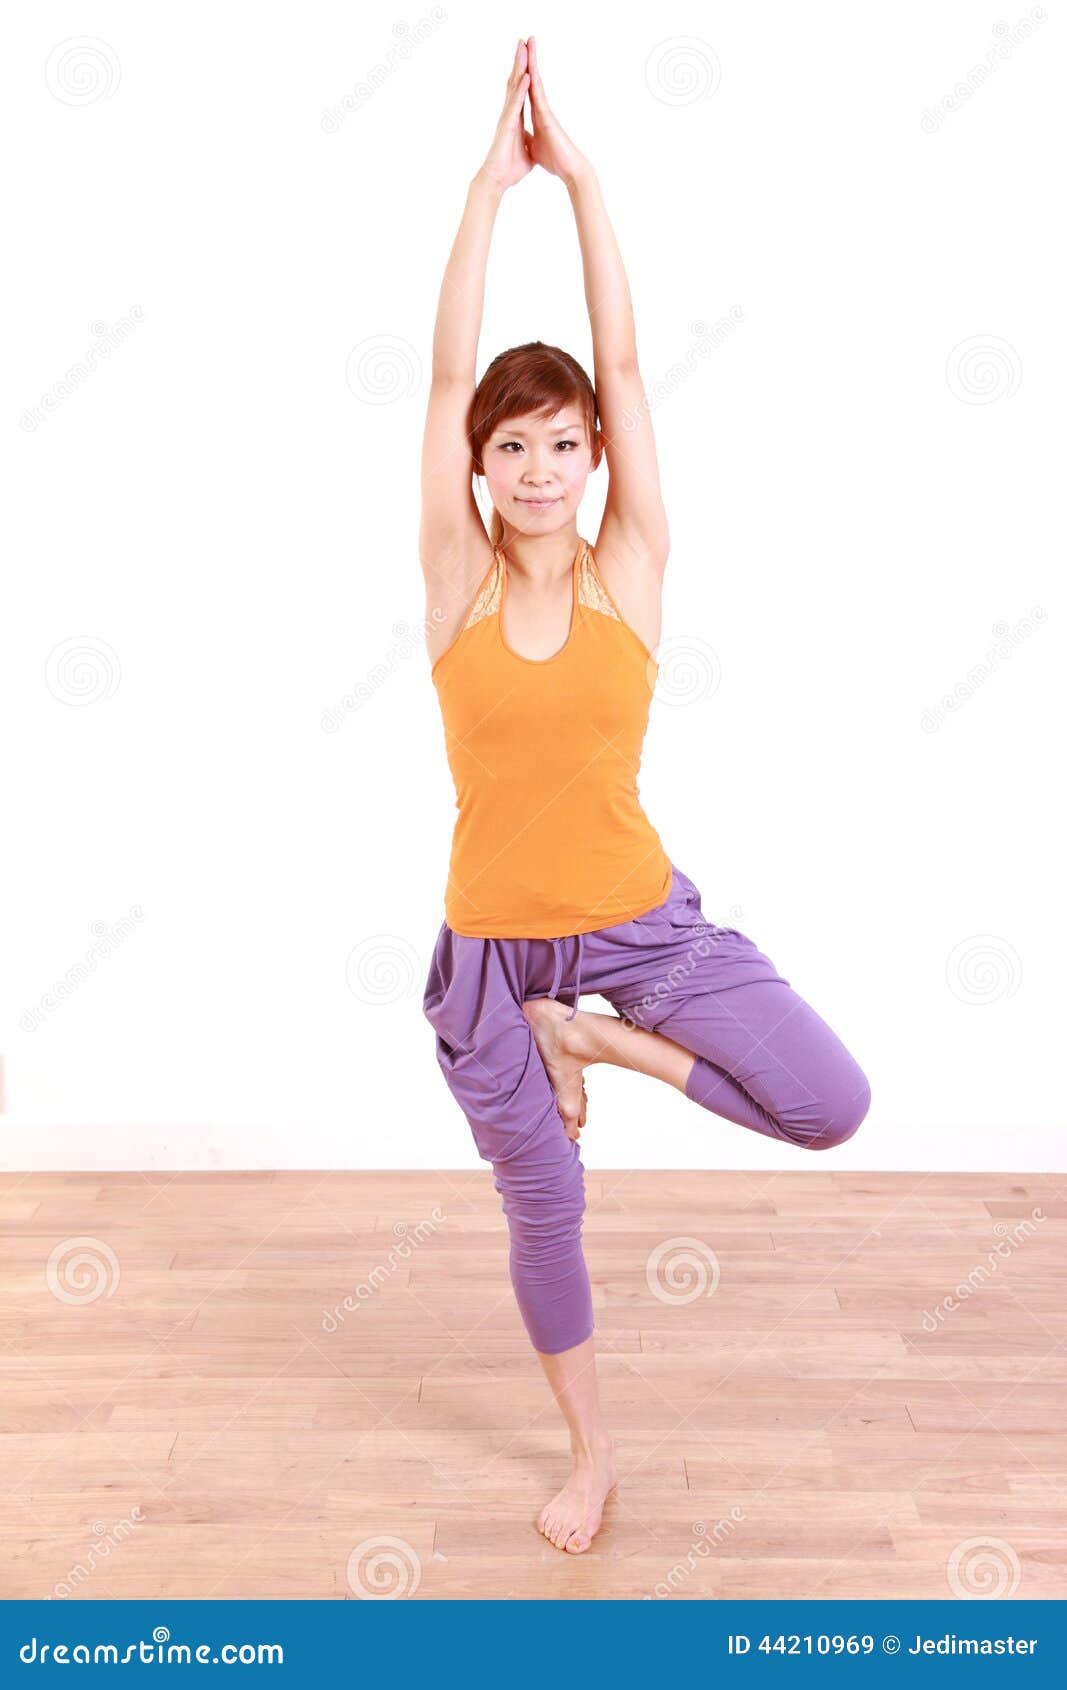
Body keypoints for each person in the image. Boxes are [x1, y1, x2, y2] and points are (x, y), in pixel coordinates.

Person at [419, 37, 871, 1556]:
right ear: (478, 471)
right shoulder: (454, 583)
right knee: (545, 1216)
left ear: (593, 454)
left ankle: (602, 1045)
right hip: (491, 962)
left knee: (830, 1102)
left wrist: (590, 185)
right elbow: (438, 369)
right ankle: (594, 1453)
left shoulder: (632, 570)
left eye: (561, 444)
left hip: (637, 938)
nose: (539, 466)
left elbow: (623, 360)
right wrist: (490, 193)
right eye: (510, 448)